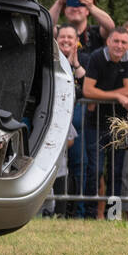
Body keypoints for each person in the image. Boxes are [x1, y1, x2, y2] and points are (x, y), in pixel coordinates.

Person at [81, 26, 128, 220]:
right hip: (94, 121)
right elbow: (88, 90)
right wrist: (117, 96)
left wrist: (112, 95)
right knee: (94, 170)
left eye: (124, 42)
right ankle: (89, 216)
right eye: (116, 41)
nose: (119, 46)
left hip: (119, 123)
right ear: (108, 41)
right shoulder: (96, 57)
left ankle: (113, 215)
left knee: (116, 171)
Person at [55, 23, 89, 219]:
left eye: (70, 37)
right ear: (57, 39)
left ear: (77, 40)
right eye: (63, 37)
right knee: (58, 167)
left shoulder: (82, 60)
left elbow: (85, 89)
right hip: (55, 119)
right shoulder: (49, 58)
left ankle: (74, 212)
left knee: (76, 166)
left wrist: (75, 63)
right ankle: (57, 212)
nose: (66, 40)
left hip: (76, 120)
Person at [48, 0, 113, 53]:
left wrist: (91, 6)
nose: (75, 8)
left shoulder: (96, 32)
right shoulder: (59, 33)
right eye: (71, 3)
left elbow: (110, 27)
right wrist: (59, 2)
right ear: (64, 10)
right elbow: (46, 26)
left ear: (88, 11)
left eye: (81, 4)